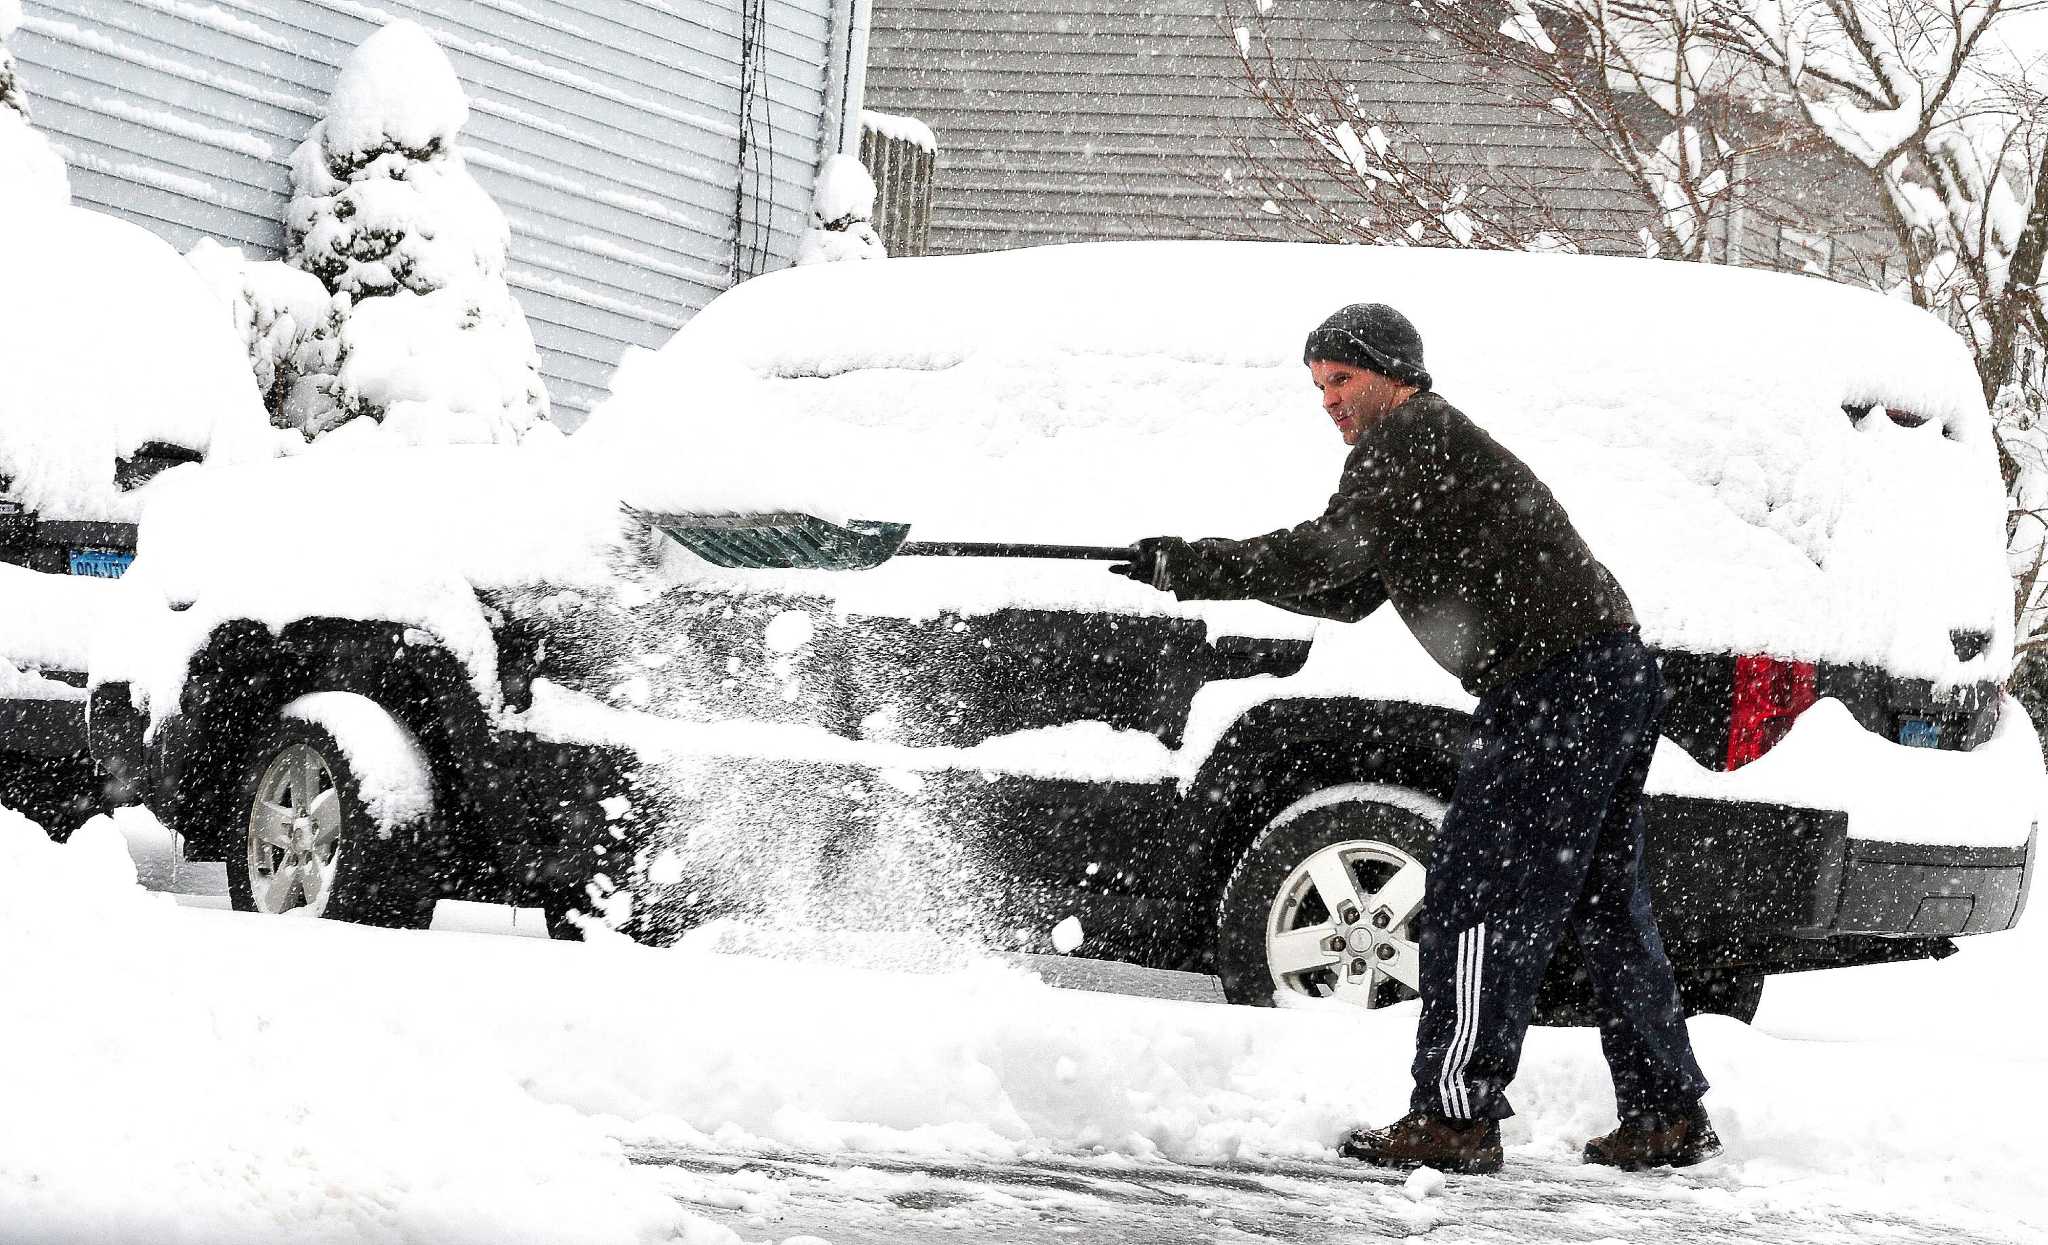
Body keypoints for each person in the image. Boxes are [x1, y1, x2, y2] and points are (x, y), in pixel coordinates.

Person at [1110, 303, 1717, 1175]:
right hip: (1607, 672)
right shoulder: (1426, 448)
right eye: (1318, 386)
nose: (1330, 401)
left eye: (1343, 379)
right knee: (1600, 900)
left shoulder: (1407, 441)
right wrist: (1185, 573)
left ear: (1395, 373)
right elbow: (1349, 589)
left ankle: (1455, 1115)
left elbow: (1326, 554)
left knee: (1475, 897)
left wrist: (1195, 561)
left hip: (1552, 685)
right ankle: (1665, 1111)